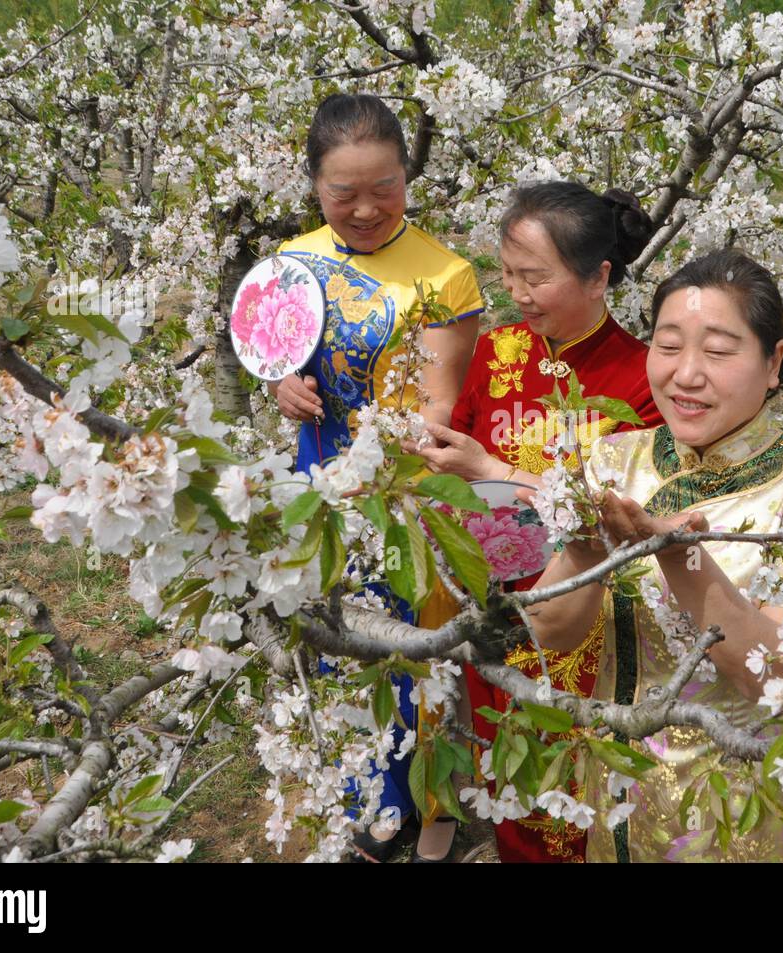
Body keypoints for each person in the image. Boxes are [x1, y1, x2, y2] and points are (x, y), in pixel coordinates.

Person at [525, 248, 783, 862]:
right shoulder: (614, 461)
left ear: (774, 361)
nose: (686, 374)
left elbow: (774, 676)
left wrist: (676, 552)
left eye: (720, 351)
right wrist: (583, 549)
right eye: (669, 345)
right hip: (617, 786)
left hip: (735, 802)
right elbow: (551, 634)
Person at [416, 181, 664, 862]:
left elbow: (624, 513)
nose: (517, 292)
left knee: (573, 778)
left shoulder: (641, 377)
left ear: (599, 276)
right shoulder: (497, 353)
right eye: (508, 273)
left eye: (536, 277)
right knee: (502, 756)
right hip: (493, 602)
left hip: (585, 620)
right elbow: (456, 455)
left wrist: (490, 467)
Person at [269, 93, 482, 862]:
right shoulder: (291, 264)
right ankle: (364, 804)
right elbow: (277, 362)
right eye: (342, 192)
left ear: (408, 175)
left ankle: (430, 820)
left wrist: (378, 478)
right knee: (335, 651)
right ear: (314, 187)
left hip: (404, 504)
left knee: (414, 664)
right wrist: (281, 389)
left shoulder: (445, 276)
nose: (364, 208)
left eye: (384, 186)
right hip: (315, 491)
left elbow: (438, 408)